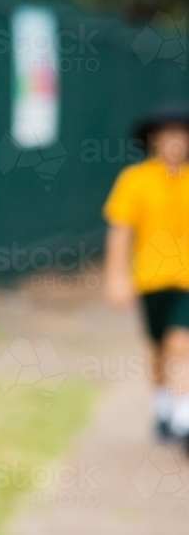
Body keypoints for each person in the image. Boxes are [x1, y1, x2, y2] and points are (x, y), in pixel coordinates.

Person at [103, 98, 189, 450]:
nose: (176, 143)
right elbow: (121, 231)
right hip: (150, 278)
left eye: (182, 135)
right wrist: (115, 278)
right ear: (154, 140)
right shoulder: (136, 180)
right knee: (157, 349)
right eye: (169, 135)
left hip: (185, 279)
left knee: (180, 343)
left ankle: (184, 418)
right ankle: (163, 406)